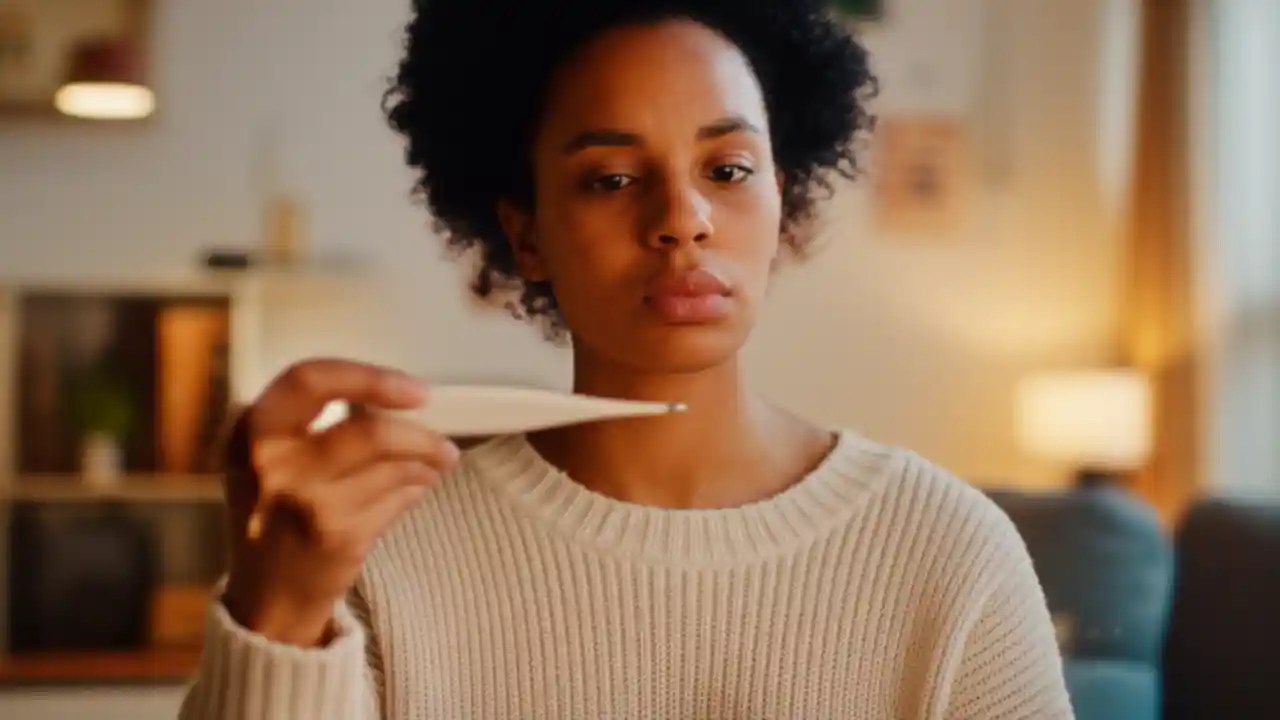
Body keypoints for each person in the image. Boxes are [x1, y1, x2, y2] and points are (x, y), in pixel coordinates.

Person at [181, 0, 1073, 717]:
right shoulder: (375, 555)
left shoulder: (945, 553)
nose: (681, 218)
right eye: (611, 179)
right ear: (526, 234)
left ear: (783, 200)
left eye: (727, 170)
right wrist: (280, 617)